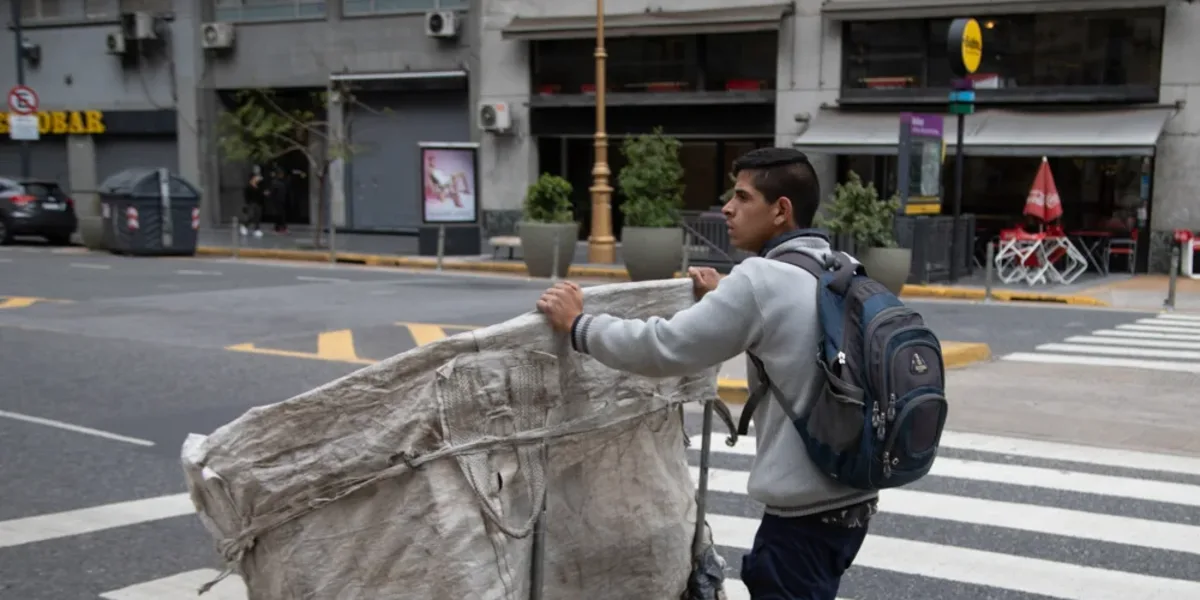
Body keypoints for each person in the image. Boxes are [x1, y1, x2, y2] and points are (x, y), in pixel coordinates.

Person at [535, 147, 875, 600]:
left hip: (804, 516)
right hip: (854, 499)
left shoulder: (760, 279)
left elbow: (664, 347)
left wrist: (580, 325)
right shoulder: (834, 266)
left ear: (781, 210)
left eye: (742, 197)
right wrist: (721, 300)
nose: (727, 209)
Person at [240, 167, 264, 238]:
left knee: (258, 216)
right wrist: (247, 203)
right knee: (251, 215)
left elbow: (260, 194)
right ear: (253, 178)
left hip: (258, 203)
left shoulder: (259, 186)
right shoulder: (248, 186)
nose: (257, 179)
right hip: (251, 203)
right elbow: (246, 195)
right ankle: (244, 226)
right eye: (256, 177)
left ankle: (257, 229)